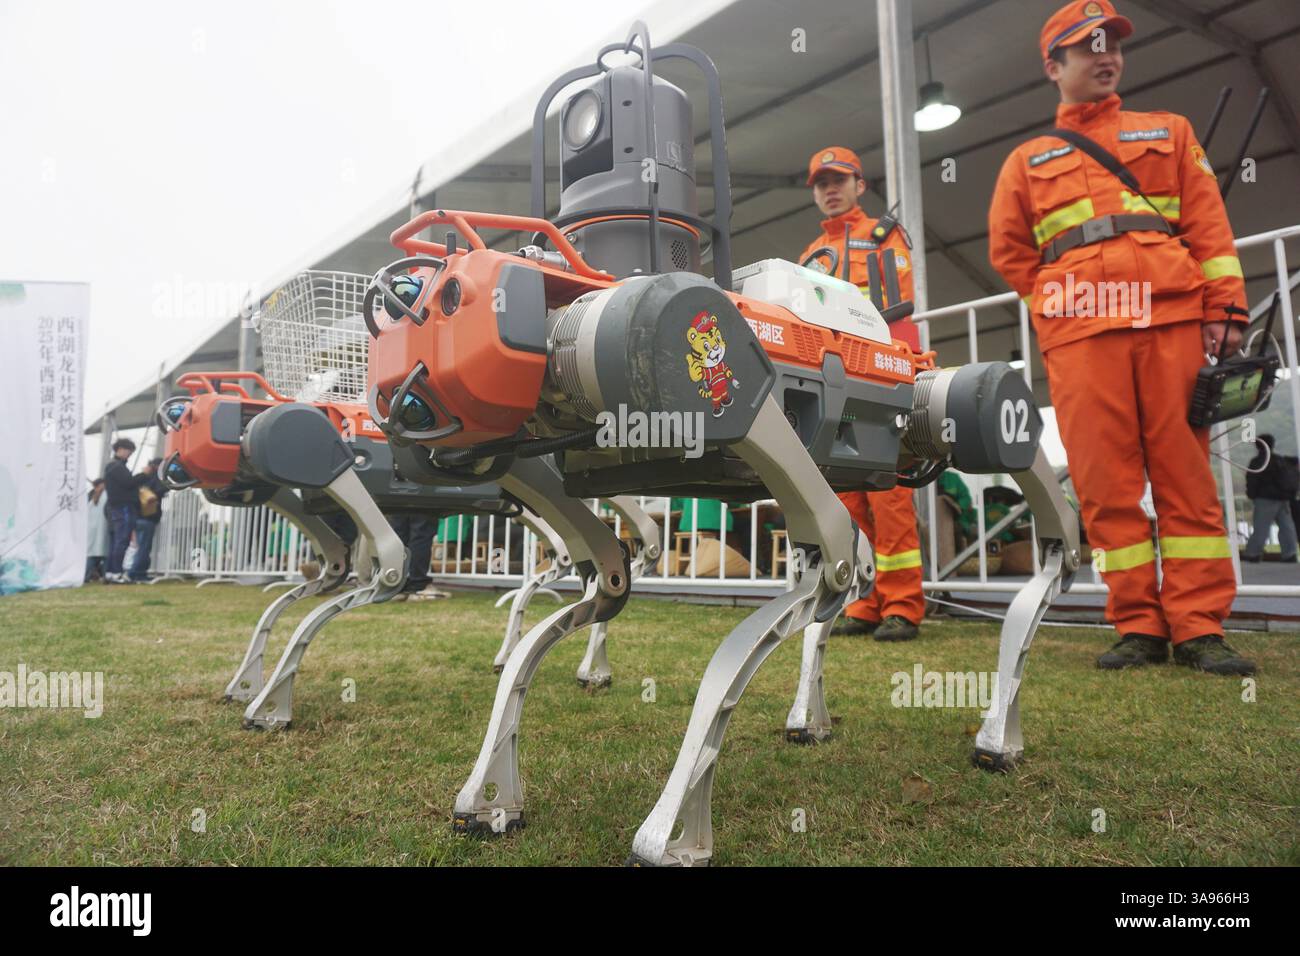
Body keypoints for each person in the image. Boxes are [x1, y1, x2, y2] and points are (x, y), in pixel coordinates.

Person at [988, 0, 1254, 674]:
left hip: (1169, 319)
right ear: (1054, 66)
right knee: (1106, 486)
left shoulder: (1169, 131)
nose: (1105, 56)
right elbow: (1010, 251)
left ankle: (1199, 626)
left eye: (1111, 46)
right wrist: (1055, 307)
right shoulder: (1027, 159)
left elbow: (1208, 226)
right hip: (1081, 335)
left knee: (1185, 474)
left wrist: (1226, 309)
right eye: (1085, 48)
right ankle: (1137, 622)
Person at [796, 145, 926, 642]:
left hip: (880, 373)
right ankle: (863, 603)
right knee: (845, 494)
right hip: (832, 378)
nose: (830, 189)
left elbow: (898, 310)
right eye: (821, 183)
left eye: (839, 180)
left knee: (891, 493)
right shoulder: (809, 255)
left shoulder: (882, 236)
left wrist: (901, 370)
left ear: (859, 185)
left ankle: (903, 606)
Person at [102, 439, 154, 584]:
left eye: (130, 451)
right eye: (127, 450)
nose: (129, 454)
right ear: (118, 449)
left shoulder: (116, 466)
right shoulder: (116, 466)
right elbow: (129, 483)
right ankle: (116, 572)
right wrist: (144, 474)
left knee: (118, 541)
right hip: (123, 507)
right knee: (122, 540)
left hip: (118, 507)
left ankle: (111, 572)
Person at [1243, 435, 1299, 563]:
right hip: (1283, 498)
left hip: (1265, 499)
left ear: (1259, 446)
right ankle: (1290, 554)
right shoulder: (1280, 460)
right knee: (1287, 527)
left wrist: (1252, 494)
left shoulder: (1258, 461)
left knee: (1261, 527)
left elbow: (1252, 480)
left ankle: (1253, 553)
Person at [128, 457, 168, 582]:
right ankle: (137, 573)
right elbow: (163, 489)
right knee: (144, 548)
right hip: (148, 518)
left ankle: (136, 572)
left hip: (136, 517)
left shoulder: (140, 479)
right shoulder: (155, 479)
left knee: (141, 547)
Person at [85, 479, 108, 582]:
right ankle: (106, 576)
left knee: (91, 555)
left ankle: (86, 576)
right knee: (105, 554)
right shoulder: (106, 495)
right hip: (103, 528)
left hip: (91, 530)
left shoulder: (90, 496)